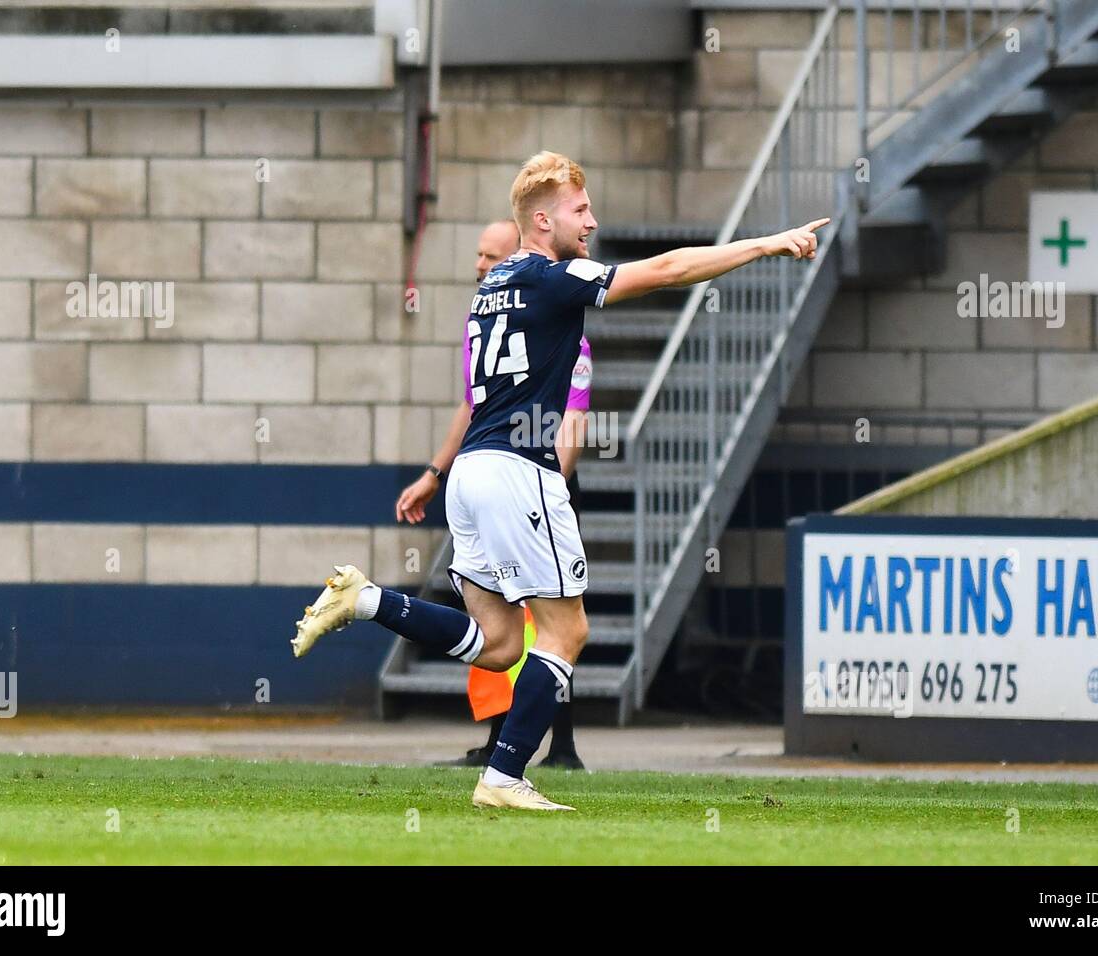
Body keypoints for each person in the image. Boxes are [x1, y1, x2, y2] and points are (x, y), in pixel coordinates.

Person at [291, 150, 827, 811]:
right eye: (581, 208)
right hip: (519, 473)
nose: (593, 221)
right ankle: (504, 776)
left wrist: (437, 472)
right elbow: (667, 270)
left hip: (471, 475)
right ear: (542, 219)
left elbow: (477, 393)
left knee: (497, 645)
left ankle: (367, 601)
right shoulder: (552, 277)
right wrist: (766, 244)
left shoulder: (490, 289)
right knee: (567, 633)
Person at [392, 219, 590, 770]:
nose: (481, 265)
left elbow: (574, 416)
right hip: (512, 475)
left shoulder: (548, 314)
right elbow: (472, 405)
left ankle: (556, 746)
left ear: (521, 252)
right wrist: (434, 472)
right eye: (479, 256)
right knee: (551, 629)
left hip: (520, 478)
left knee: (519, 633)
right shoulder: (486, 318)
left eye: (489, 255)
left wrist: (553, 480)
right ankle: (508, 757)